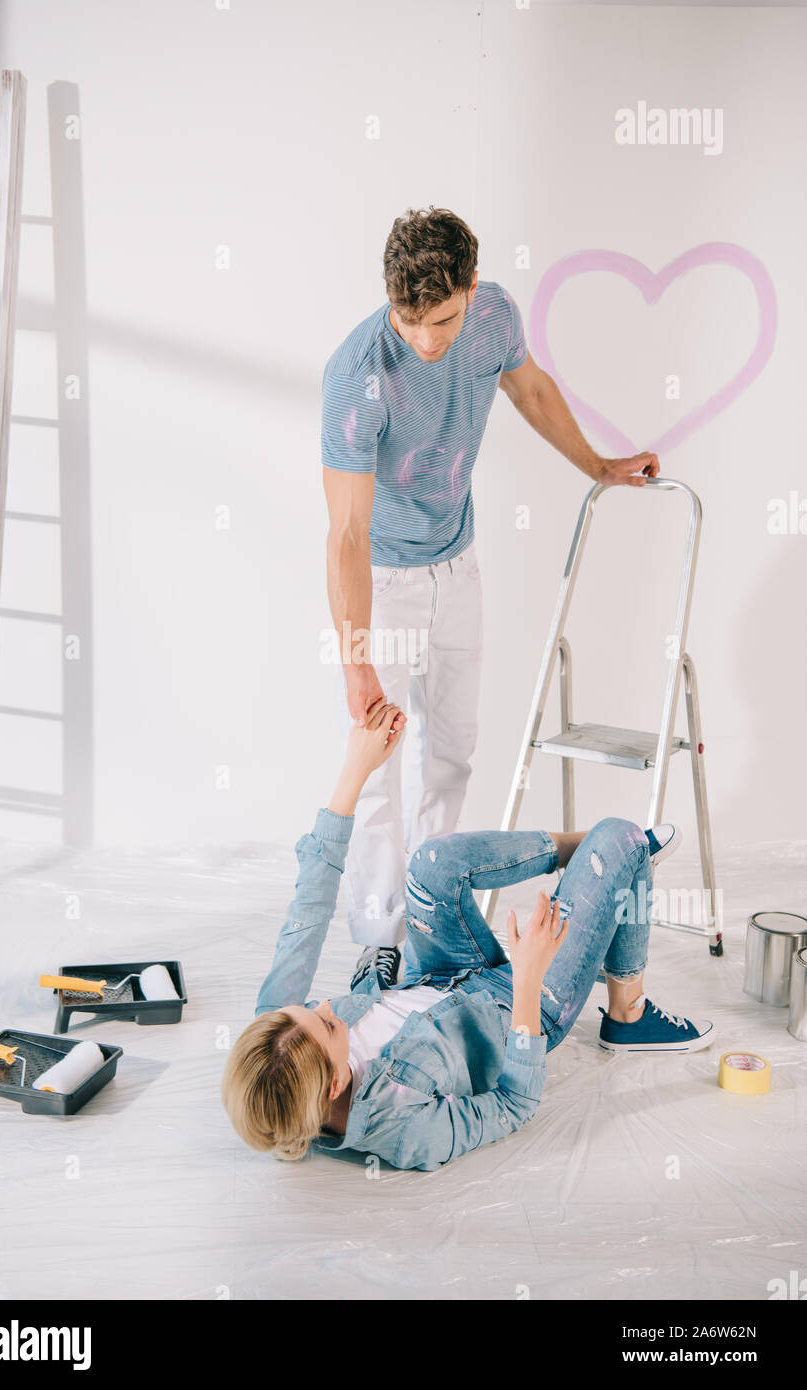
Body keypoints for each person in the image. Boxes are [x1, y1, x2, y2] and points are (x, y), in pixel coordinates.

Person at [322, 206, 661, 991]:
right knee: (378, 767)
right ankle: (378, 937)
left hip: (458, 565)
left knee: (452, 754)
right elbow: (344, 534)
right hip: (384, 580)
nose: (427, 339)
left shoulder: (494, 316)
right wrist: (355, 662)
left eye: (441, 319)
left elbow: (530, 388)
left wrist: (596, 466)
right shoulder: (358, 375)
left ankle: (433, 920)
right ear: (390, 299)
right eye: (410, 321)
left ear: (471, 292)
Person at [222, 700, 714, 1172]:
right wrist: (525, 979)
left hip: (436, 972)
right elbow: (514, 1104)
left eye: (310, 1007)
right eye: (327, 1026)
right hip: (519, 1005)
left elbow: (308, 905)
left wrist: (355, 771)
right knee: (620, 838)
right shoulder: (402, 1130)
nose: (326, 1007)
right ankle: (629, 1013)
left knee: (431, 865)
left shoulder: (277, 1040)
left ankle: (573, 852)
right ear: (334, 1085)